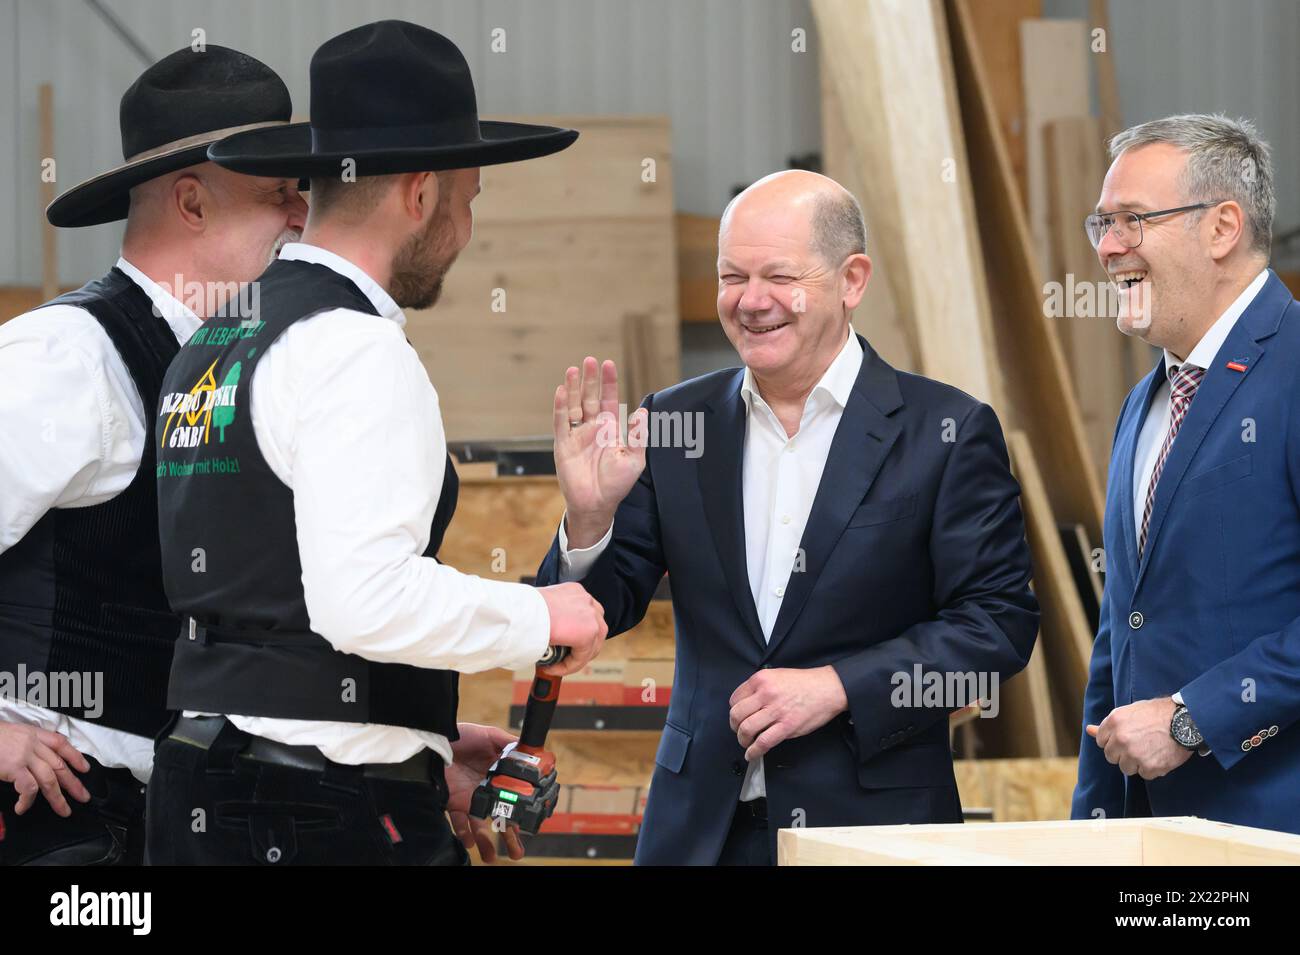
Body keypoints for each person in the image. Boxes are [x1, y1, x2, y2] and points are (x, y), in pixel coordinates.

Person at [145, 21, 606, 866]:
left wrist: (421, 737)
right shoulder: (355, 348)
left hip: (202, 779)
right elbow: (363, 601)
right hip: (318, 812)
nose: (466, 229)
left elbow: (262, 594)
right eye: (469, 198)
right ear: (421, 194)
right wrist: (539, 615)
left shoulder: (214, 342)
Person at [537, 169, 1040, 865]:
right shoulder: (678, 422)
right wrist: (589, 521)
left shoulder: (945, 431)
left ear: (852, 279)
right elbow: (591, 612)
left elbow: (997, 627)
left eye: (779, 275)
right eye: (731, 276)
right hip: (701, 832)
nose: (751, 301)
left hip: (870, 830)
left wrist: (839, 686)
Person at [0, 45, 306, 865]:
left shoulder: (231, 364)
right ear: (192, 203)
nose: (303, 216)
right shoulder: (64, 359)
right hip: (56, 818)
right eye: (280, 192)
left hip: (177, 815)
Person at [1073, 114, 1300, 834]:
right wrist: (1093, 828)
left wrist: (1190, 718)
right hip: (1145, 841)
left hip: (1267, 832)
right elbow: (1120, 634)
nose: (1109, 248)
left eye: (1133, 221)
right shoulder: (1148, 401)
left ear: (1223, 227)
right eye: (1101, 224)